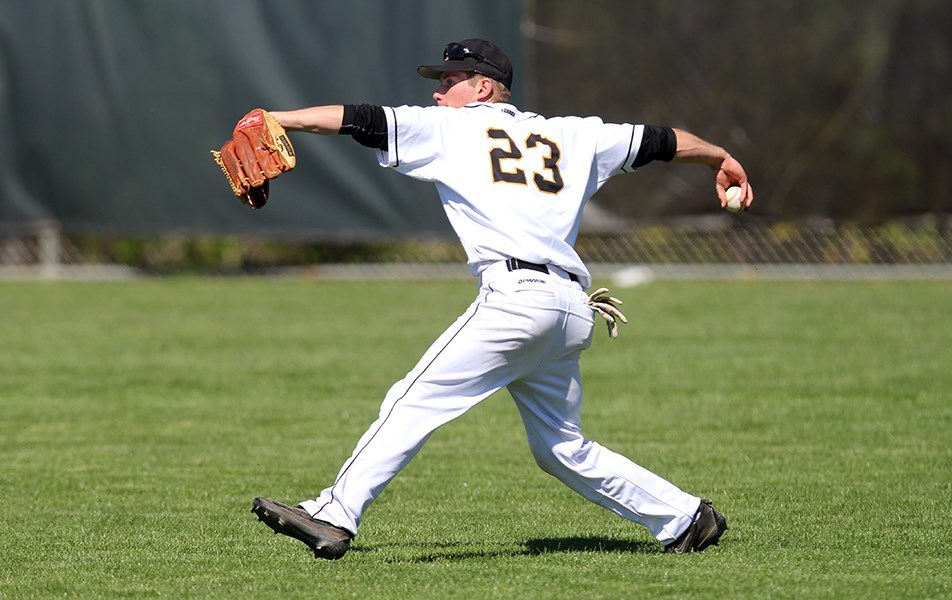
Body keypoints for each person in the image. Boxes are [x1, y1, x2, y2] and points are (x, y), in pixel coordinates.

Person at [250, 38, 753, 560]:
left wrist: (277, 118)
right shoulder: (575, 134)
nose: (439, 93)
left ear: (483, 87)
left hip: (516, 299)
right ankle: (687, 519)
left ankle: (335, 514)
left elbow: (358, 119)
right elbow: (662, 141)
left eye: (449, 81)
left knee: (412, 399)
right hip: (570, 308)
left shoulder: (453, 127)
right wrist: (721, 157)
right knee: (560, 448)